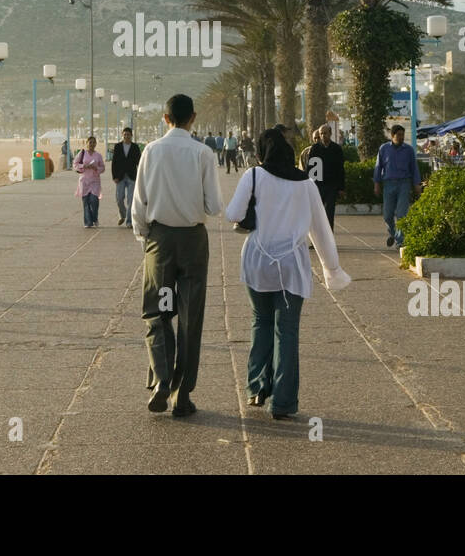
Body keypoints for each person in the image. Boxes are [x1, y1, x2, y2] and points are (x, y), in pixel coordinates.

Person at [226, 128, 350, 419]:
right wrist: (332, 270)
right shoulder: (306, 185)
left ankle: (257, 387)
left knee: (261, 321)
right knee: (288, 330)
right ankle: (282, 402)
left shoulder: (254, 176)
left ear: (261, 152)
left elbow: (233, 214)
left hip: (258, 261)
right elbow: (320, 230)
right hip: (292, 266)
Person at [131, 94, 223, 417]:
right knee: (190, 317)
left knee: (157, 310)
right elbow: (214, 206)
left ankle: (161, 379)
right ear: (192, 118)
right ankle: (182, 394)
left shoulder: (151, 152)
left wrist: (146, 238)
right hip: (194, 242)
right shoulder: (203, 153)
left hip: (160, 240)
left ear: (165, 118)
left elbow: (138, 203)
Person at [374, 125, 422, 250]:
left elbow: (414, 168)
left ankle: (400, 241)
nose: (401, 138)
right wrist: (377, 184)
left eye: (402, 135)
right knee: (388, 215)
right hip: (388, 184)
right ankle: (394, 233)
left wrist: (417, 184)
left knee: (401, 214)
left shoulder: (409, 150)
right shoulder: (384, 149)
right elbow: (378, 167)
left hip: (404, 184)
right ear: (392, 136)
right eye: (398, 135)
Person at [305, 124, 347, 230]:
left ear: (330, 134)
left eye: (325, 133)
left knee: (329, 213)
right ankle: (316, 241)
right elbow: (310, 168)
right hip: (317, 186)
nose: (323, 136)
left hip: (331, 186)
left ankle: (329, 241)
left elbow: (340, 169)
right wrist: (307, 185)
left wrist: (341, 188)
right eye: (321, 133)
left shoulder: (336, 149)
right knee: (316, 214)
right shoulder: (315, 149)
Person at [110, 127, 141, 227]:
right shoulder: (118, 146)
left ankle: (129, 221)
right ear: (122, 135)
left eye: (128, 135)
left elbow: (139, 162)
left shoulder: (135, 147)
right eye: (125, 135)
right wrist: (114, 176)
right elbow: (114, 162)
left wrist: (140, 176)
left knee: (131, 199)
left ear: (131, 135)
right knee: (119, 198)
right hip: (120, 176)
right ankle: (123, 214)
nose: (126, 136)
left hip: (132, 176)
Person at [74, 135, 106, 228]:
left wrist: (96, 168)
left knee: (94, 200)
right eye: (90, 142)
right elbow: (75, 164)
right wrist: (83, 166)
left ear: (96, 144)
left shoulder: (98, 155)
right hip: (84, 181)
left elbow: (103, 167)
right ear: (86, 143)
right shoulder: (82, 153)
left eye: (93, 142)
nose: (91, 144)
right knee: (86, 202)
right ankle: (88, 222)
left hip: (95, 181)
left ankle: (95, 218)